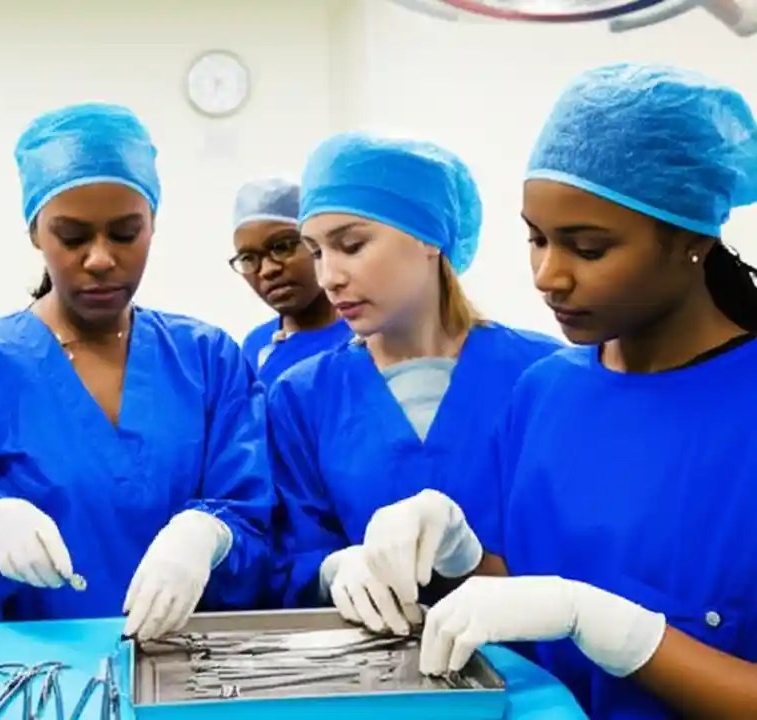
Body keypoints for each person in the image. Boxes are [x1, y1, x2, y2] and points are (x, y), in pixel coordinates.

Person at [345, 63, 757, 719]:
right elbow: (525, 596)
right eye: (536, 239)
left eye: (588, 249)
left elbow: (573, 609)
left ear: (691, 239)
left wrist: (616, 630)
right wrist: (459, 555)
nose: (547, 275)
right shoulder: (546, 391)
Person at [0, 102, 273, 640]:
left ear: (153, 226)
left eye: (125, 234)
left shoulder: (208, 360)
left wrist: (210, 535)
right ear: (36, 233)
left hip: (187, 668)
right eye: (73, 237)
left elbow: (261, 536)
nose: (100, 258)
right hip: (35, 670)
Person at [267, 132, 561, 618]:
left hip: (525, 661)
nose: (328, 278)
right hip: (370, 660)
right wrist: (332, 570)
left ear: (430, 236)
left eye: (351, 245)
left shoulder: (543, 377)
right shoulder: (303, 396)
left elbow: (580, 562)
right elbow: (287, 558)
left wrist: (471, 562)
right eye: (317, 252)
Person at [230, 177, 351, 384]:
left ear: (318, 243)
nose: (267, 270)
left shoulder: (365, 337)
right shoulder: (256, 345)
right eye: (248, 258)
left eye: (282, 247)